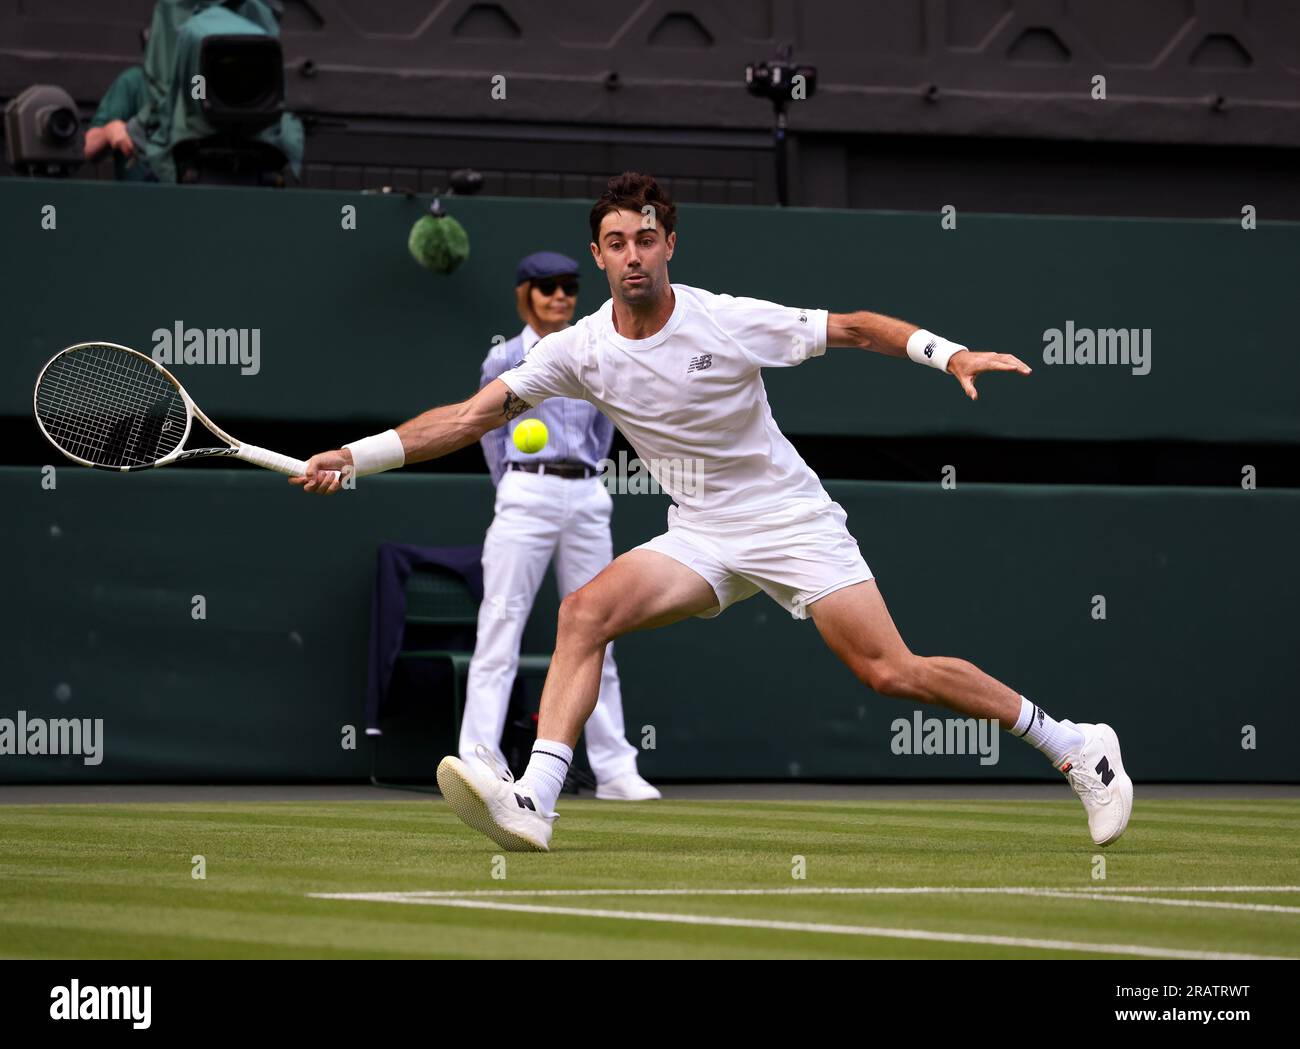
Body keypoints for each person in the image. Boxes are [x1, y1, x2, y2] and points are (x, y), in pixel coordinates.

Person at [294, 172, 1133, 854]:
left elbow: (855, 327)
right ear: (599, 253)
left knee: (889, 671)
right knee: (586, 611)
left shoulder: (725, 320)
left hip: (790, 520)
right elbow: (470, 417)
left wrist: (947, 352)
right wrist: (357, 456)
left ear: (669, 244)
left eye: (646, 238)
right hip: (700, 533)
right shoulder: (577, 347)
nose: (633, 255)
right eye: (616, 242)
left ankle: (1073, 741)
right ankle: (535, 799)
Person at [464, 251, 659, 801]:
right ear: (526, 294)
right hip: (526, 490)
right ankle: (480, 762)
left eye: (569, 286)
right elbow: (485, 428)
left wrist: (586, 475)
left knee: (602, 631)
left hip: (587, 494)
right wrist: (513, 485)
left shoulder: (594, 349)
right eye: (546, 286)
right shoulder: (503, 356)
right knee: (499, 627)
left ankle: (616, 770)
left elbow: (605, 427)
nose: (559, 296)